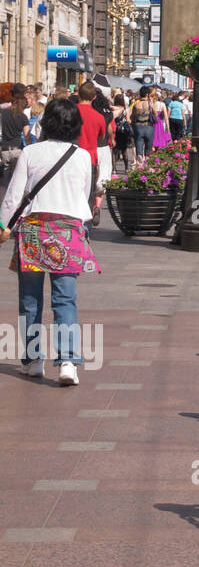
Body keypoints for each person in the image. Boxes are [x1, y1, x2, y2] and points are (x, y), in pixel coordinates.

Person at [1, 97, 98, 386]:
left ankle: (33, 361)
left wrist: (4, 225)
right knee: (65, 298)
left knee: (30, 299)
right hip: (68, 229)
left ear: (46, 123)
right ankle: (68, 362)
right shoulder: (81, 156)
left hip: (33, 229)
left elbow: (14, 196)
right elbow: (85, 195)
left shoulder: (31, 152)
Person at [76, 83, 108, 226]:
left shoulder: (71, 112)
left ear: (78, 95)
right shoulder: (99, 117)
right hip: (90, 158)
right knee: (88, 193)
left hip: (71, 157)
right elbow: (101, 138)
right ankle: (85, 225)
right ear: (94, 97)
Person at [1, 83, 28, 189]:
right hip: (17, 148)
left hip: (4, 149)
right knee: (17, 176)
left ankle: (3, 198)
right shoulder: (23, 116)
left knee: (5, 175)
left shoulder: (3, 113)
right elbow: (27, 136)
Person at [129, 86, 157, 163]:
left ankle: (140, 161)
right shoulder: (150, 104)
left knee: (139, 149)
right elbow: (156, 115)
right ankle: (146, 165)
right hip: (149, 127)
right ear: (147, 94)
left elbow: (133, 118)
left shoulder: (136, 105)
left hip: (138, 127)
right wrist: (151, 105)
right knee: (148, 150)